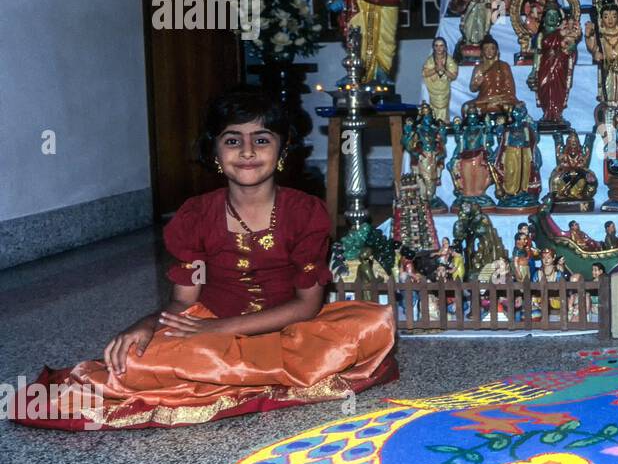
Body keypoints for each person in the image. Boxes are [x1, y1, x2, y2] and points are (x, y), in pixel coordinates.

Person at [14, 91, 397, 430]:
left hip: (288, 328)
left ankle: (239, 370)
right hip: (209, 328)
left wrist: (219, 331)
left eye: (261, 140)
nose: (247, 151)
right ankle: (237, 372)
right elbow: (183, 302)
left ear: (283, 150)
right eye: (233, 140)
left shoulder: (306, 212)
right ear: (215, 152)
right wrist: (144, 325)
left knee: (367, 326)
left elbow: (307, 305)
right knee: (135, 359)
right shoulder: (194, 216)